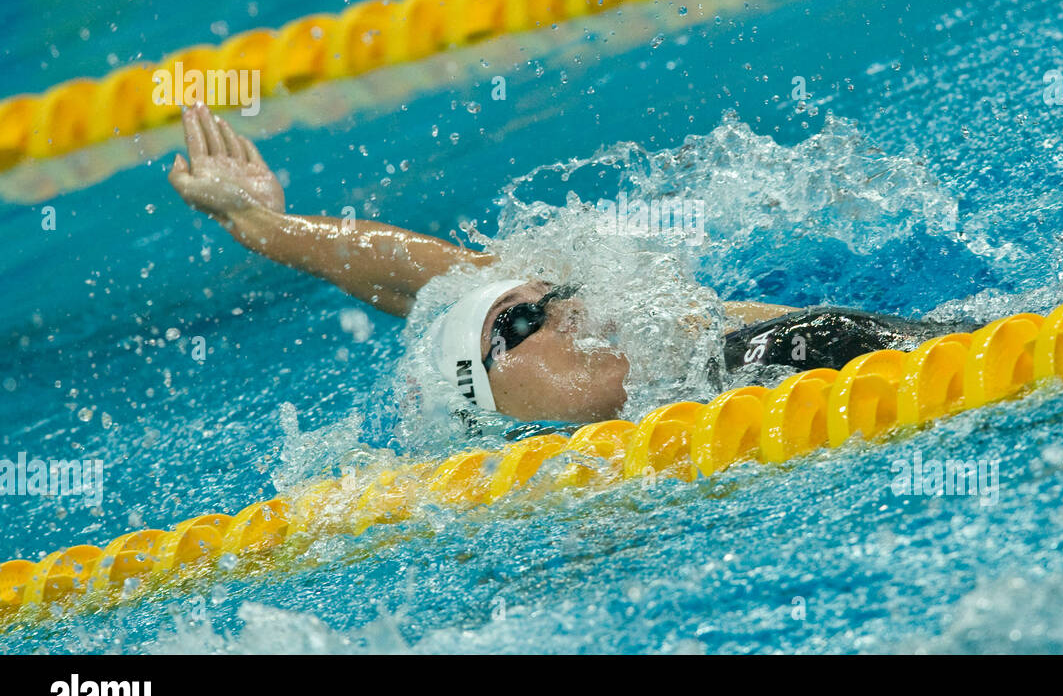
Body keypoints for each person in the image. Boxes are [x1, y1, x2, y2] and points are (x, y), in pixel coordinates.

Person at [169, 104, 972, 424]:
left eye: (560, 293)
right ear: (488, 401)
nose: (569, 309)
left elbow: (429, 279)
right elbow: (436, 285)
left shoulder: (728, 354)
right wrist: (257, 225)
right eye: (521, 320)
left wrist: (265, 225)